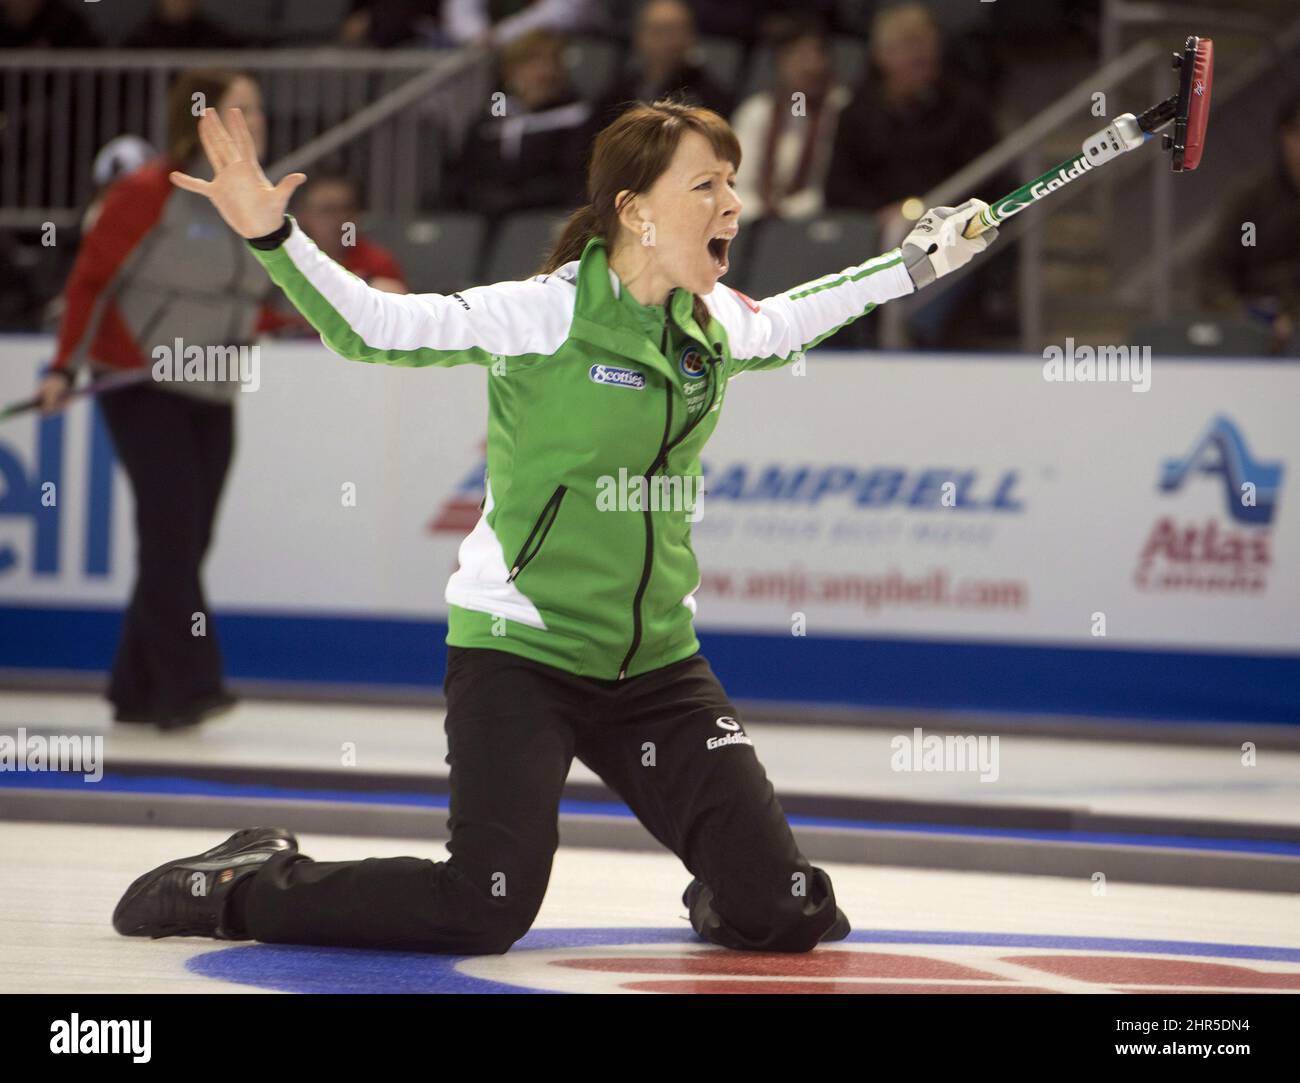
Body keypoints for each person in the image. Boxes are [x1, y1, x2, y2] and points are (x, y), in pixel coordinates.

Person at [111, 100, 996, 953]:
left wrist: (918, 262)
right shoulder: (540, 313)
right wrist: (274, 233)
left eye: (733, 184)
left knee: (787, 912)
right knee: (481, 908)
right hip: (521, 651)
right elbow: (372, 328)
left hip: (655, 664)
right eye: (708, 186)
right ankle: (242, 884)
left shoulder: (709, 324)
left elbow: (802, 313)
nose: (734, 204)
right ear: (635, 211)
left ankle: (736, 882)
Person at [37, 70, 274, 731]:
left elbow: (262, 295)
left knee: (189, 537)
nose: (256, 119)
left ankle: (132, 686)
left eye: (258, 109)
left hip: (215, 387)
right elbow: (90, 282)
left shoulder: (256, 198)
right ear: (201, 118)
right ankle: (189, 688)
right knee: (171, 533)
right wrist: (64, 366)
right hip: (142, 383)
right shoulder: (148, 193)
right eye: (242, 108)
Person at [447, 29, 596, 218]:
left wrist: (516, 200)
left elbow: (573, 181)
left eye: (553, 60)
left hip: (546, 218)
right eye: (532, 61)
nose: (545, 71)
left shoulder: (577, 118)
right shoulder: (489, 121)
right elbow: (464, 176)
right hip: (484, 219)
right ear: (510, 71)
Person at [1197, 88, 1300, 355]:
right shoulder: (1252, 197)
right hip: (1253, 328)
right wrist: (1242, 318)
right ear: (1284, 136)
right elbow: (1214, 271)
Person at [257, 173, 407, 338]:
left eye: (347, 208)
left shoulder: (375, 261)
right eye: (327, 210)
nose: (340, 218)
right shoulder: (282, 257)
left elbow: (397, 323)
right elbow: (259, 321)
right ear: (304, 215)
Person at [730, 22, 850, 221]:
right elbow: (738, 178)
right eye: (799, 56)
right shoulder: (757, 111)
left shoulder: (841, 110)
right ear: (779, 63)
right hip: (755, 216)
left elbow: (835, 184)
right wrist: (761, 212)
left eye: (817, 55)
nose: (810, 66)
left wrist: (787, 211)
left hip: (818, 217)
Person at [595, 0, 732, 128]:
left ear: (691, 36)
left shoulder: (710, 98)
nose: (668, 41)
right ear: (639, 36)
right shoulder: (619, 90)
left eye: (677, 31)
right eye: (658, 31)